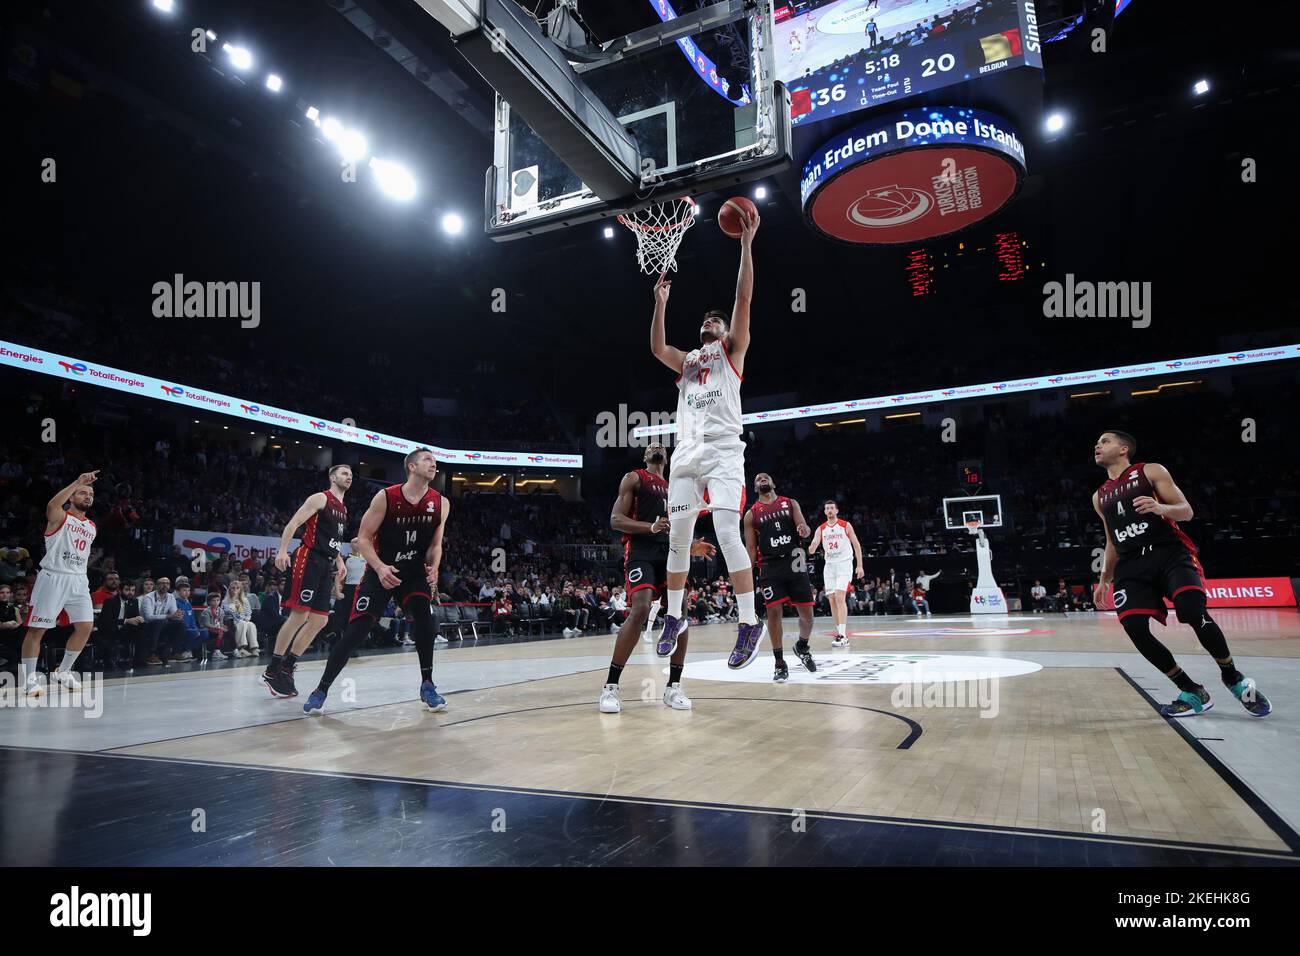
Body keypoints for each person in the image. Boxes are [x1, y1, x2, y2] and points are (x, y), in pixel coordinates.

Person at [650, 202, 765, 672]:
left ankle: (749, 620)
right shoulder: (689, 361)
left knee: (723, 530)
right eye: (705, 321)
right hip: (686, 456)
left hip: (722, 452)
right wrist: (660, 305)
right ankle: (674, 617)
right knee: (678, 536)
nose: (708, 323)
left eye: (714, 322)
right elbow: (658, 348)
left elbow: (743, 301)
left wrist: (746, 245)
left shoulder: (730, 352)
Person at [1091, 429, 1271, 718]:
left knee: (1192, 611)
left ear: (1124, 449)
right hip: (1131, 564)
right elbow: (1111, 540)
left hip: (1168, 552)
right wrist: (1103, 580)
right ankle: (1191, 690)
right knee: (1135, 628)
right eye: (1098, 442)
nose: (1097, 445)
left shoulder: (1150, 471)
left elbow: (1186, 511)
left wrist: (1160, 507)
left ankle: (1233, 678)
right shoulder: (1099, 497)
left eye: (1105, 441)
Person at [302, 448, 450, 716]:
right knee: (356, 632)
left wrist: (434, 567)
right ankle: (320, 690)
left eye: (435, 461)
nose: (434, 464)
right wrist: (380, 568)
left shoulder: (441, 502)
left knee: (424, 618)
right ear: (411, 467)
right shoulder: (386, 497)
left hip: (413, 572)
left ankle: (427, 684)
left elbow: (435, 544)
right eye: (427, 459)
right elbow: (362, 539)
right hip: (380, 569)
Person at [599, 443, 715, 714]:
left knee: (681, 612)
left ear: (668, 456)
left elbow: (679, 527)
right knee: (639, 608)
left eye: (660, 445)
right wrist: (650, 527)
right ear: (645, 456)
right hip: (641, 550)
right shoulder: (635, 477)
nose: (655, 447)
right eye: (650, 446)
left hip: (672, 552)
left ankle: (673, 687)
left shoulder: (678, 486)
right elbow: (616, 519)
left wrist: (691, 546)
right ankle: (610, 687)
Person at [262, 464, 351, 697]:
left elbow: (334, 540)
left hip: (326, 563)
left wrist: (340, 561)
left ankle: (287, 667)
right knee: (299, 614)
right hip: (308, 557)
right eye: (344, 473)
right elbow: (293, 523)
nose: (348, 476)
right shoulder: (321, 498)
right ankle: (273, 669)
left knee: (320, 621)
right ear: (332, 477)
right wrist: (282, 551)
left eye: (351, 474)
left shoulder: (343, 508)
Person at [20, 471, 99, 695]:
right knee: (38, 630)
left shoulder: (92, 526)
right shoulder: (60, 517)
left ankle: (62, 671)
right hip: (53, 577)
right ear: (71, 497)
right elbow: (52, 504)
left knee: (85, 627)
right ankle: (29, 681)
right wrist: (77, 482)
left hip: (78, 580)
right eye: (82, 493)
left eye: (90, 494)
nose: (87, 496)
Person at [744, 472, 816, 681]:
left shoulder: (790, 503)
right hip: (769, 564)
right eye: (758, 479)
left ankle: (802, 646)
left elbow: (805, 529)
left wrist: (804, 530)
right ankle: (779, 662)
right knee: (774, 612)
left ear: (773, 483)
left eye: (766, 477)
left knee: (808, 616)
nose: (762, 479)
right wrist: (746, 574)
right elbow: (751, 549)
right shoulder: (751, 514)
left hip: (795, 559)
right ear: (755, 487)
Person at [808, 500, 864, 648]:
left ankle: (844, 636)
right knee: (831, 599)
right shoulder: (821, 529)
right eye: (827, 508)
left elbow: (856, 545)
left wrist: (859, 565)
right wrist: (811, 546)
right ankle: (839, 633)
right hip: (830, 566)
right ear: (825, 512)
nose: (830, 510)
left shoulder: (846, 525)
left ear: (837, 510)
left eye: (832, 508)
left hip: (844, 564)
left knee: (840, 597)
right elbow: (812, 548)